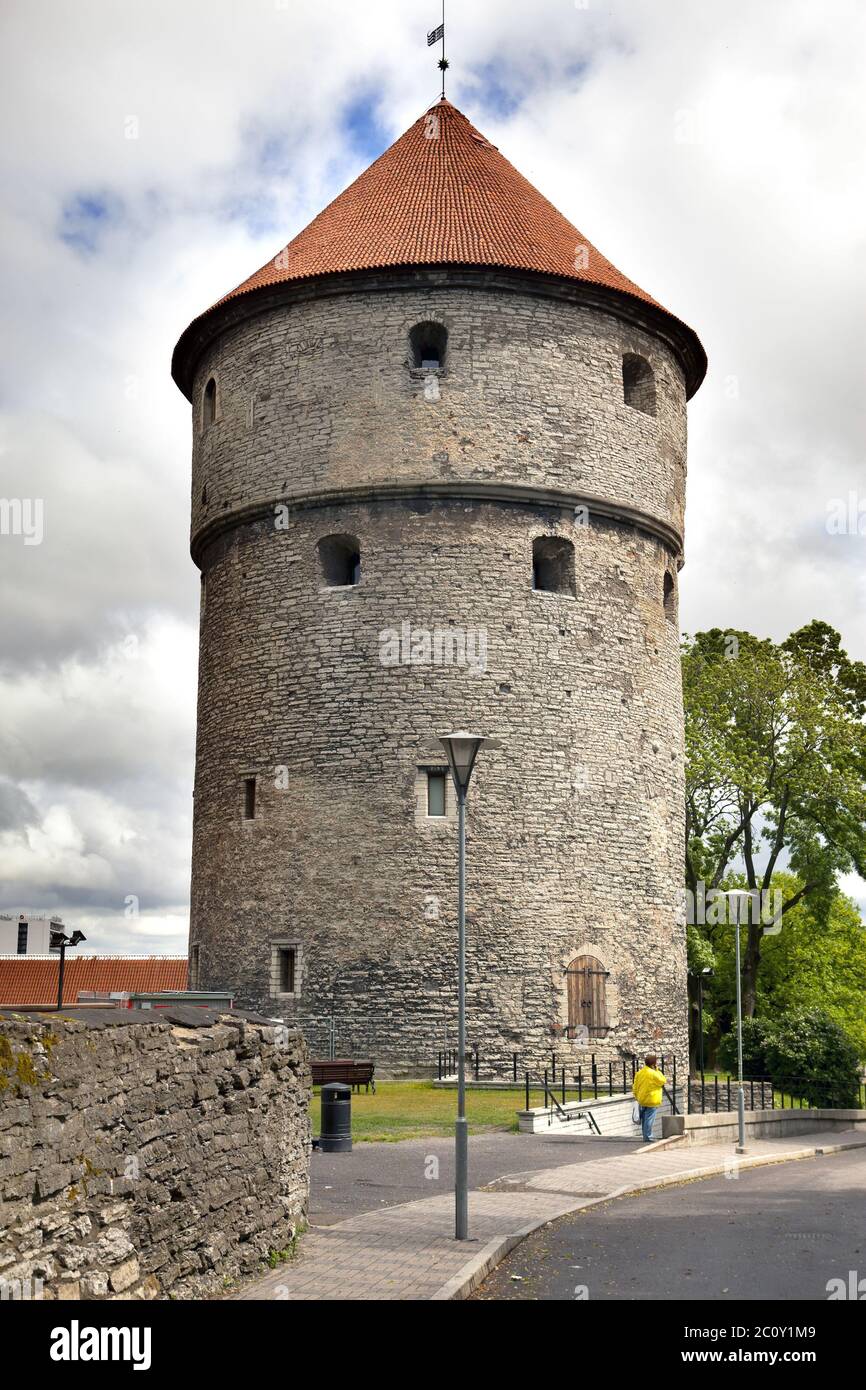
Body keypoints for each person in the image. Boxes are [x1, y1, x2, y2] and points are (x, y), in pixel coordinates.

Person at [632, 1053, 667, 1143]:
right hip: (652, 1099)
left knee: (644, 1119)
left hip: (641, 1099)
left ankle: (645, 1136)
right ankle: (648, 1137)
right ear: (653, 1064)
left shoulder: (639, 1073)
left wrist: (636, 1096)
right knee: (649, 1119)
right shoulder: (653, 1073)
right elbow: (663, 1081)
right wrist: (657, 1070)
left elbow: (635, 1086)